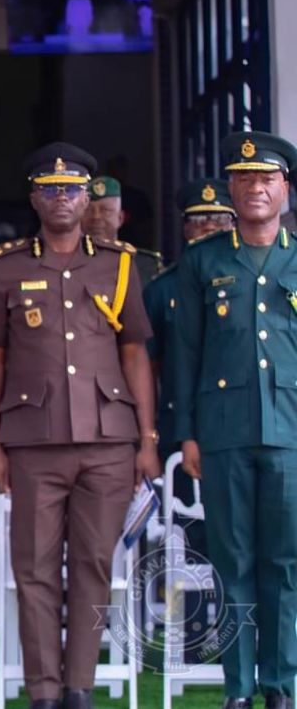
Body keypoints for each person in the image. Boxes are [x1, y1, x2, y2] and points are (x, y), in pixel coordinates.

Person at [0, 143, 159, 709]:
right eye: (50, 189)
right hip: (32, 441)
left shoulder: (119, 264)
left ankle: (79, 685)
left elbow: (135, 352)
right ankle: (43, 691)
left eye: (72, 189)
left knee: (93, 565)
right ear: (34, 198)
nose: (62, 198)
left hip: (109, 440)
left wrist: (147, 439)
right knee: (33, 570)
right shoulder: (5, 266)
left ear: (87, 199)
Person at [174, 132, 297, 709]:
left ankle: (280, 684)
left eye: (266, 178)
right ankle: (238, 688)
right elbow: (185, 354)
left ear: (285, 189)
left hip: (291, 433)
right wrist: (187, 433)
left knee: (285, 563)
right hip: (222, 434)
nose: (255, 188)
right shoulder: (203, 260)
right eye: (244, 178)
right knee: (232, 561)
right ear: (230, 188)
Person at [143, 178, 235, 457]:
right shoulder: (160, 289)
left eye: (219, 219)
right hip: (177, 423)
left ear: (234, 224)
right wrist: (147, 433)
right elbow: (148, 367)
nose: (209, 226)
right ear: (184, 227)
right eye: (199, 219)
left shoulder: (251, 280)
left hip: (236, 420)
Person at [82, 175, 163, 285]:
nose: (96, 217)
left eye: (105, 210)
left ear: (120, 218)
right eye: (88, 210)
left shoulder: (144, 264)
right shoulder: (70, 261)